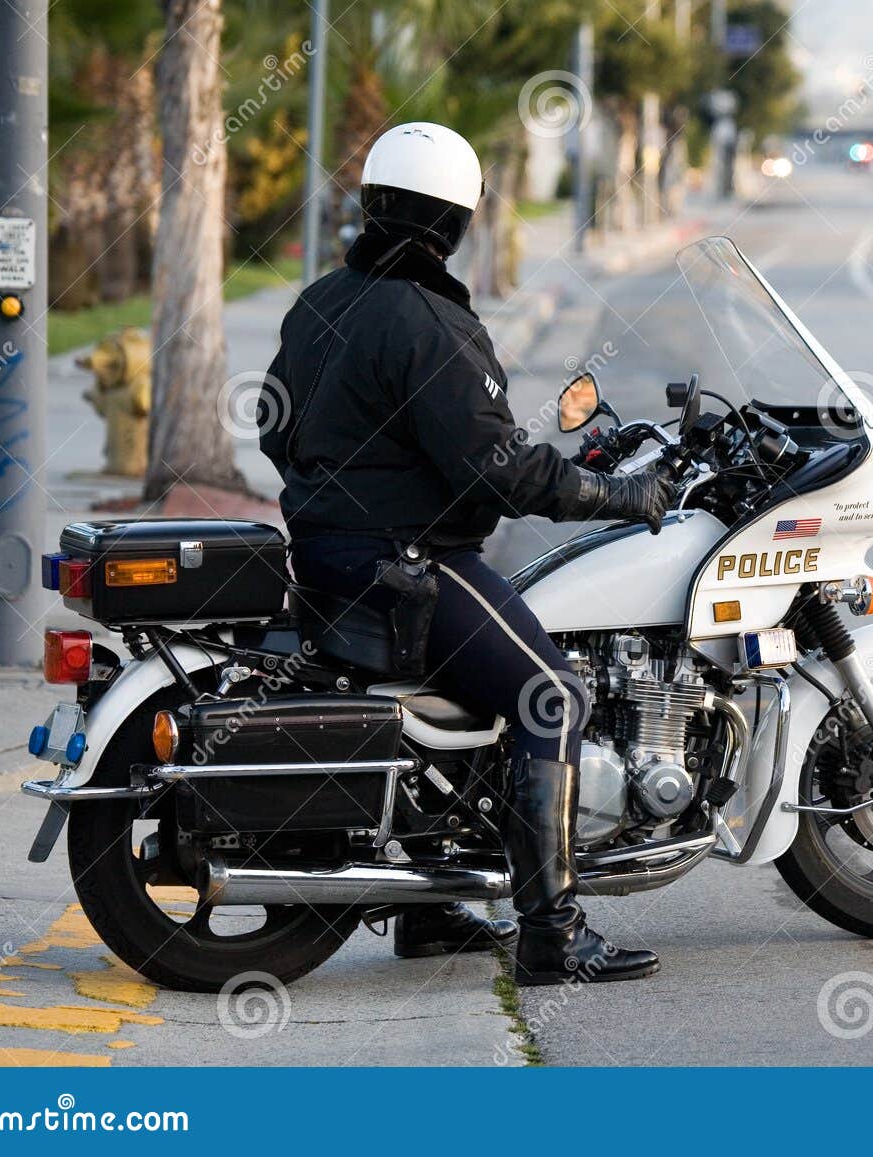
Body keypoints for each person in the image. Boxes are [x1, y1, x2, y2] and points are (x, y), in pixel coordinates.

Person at [261, 122, 673, 986]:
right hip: (412, 563)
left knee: (482, 698)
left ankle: (426, 913)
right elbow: (499, 467)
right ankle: (554, 934)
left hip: (329, 555)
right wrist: (617, 494)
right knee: (551, 692)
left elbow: (275, 429)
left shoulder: (317, 305)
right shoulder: (430, 322)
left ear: (371, 206)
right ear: (457, 221)